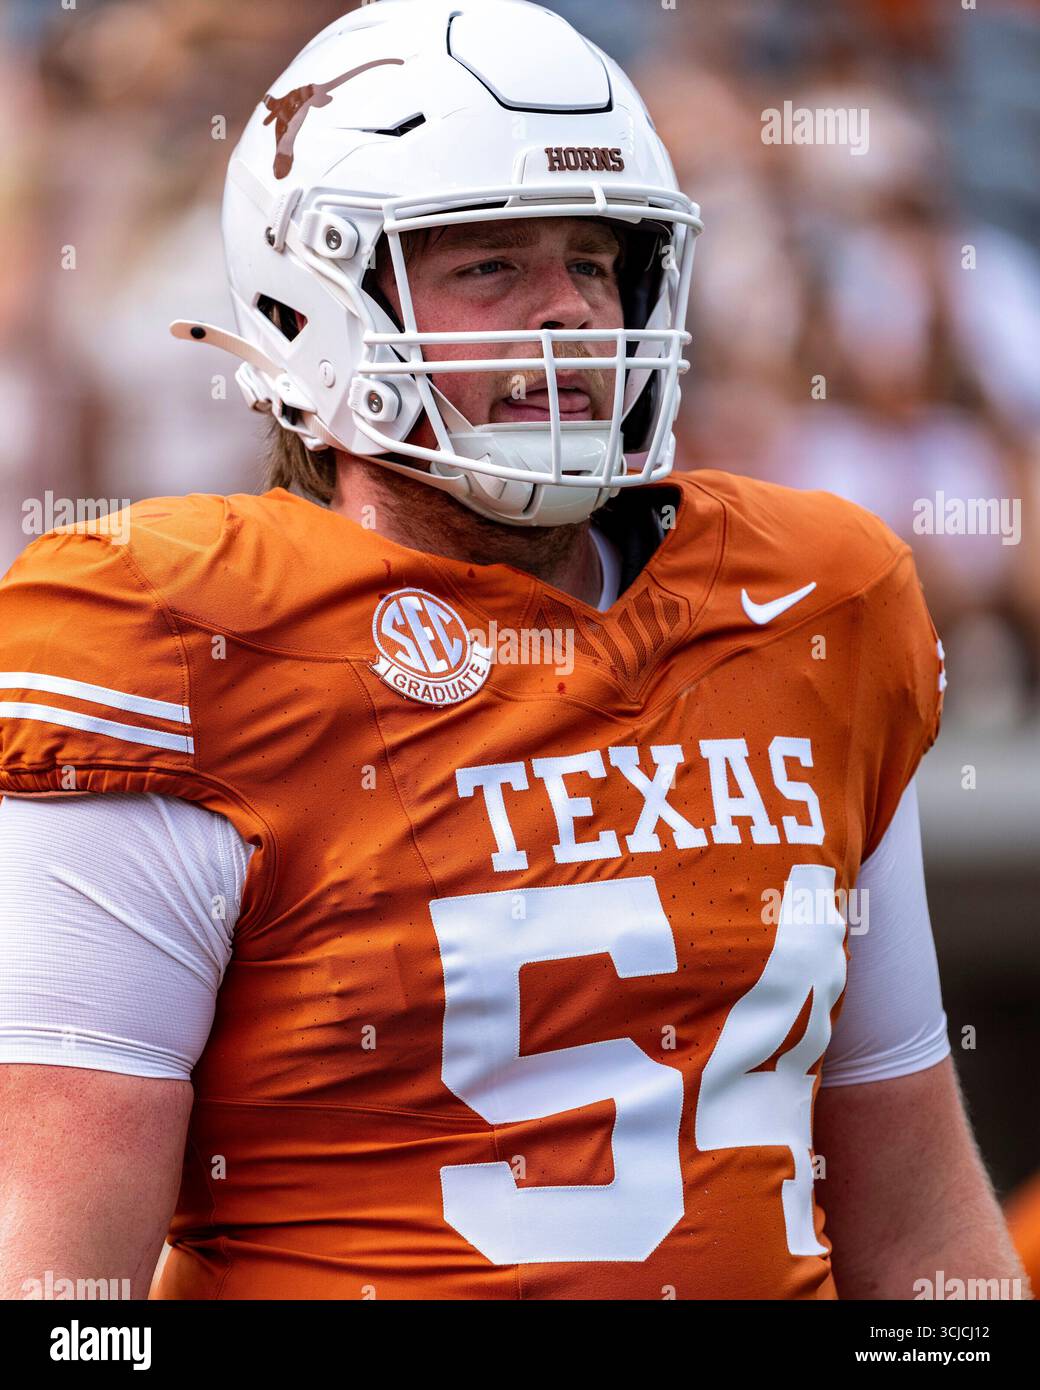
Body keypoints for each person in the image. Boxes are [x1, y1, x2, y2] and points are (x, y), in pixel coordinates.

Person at [0, 0, 1027, 1300]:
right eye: (491, 267)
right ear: (319, 298)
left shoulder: (813, 606)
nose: (569, 319)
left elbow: (924, 1238)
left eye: (594, 264)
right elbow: (59, 1297)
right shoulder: (179, 644)